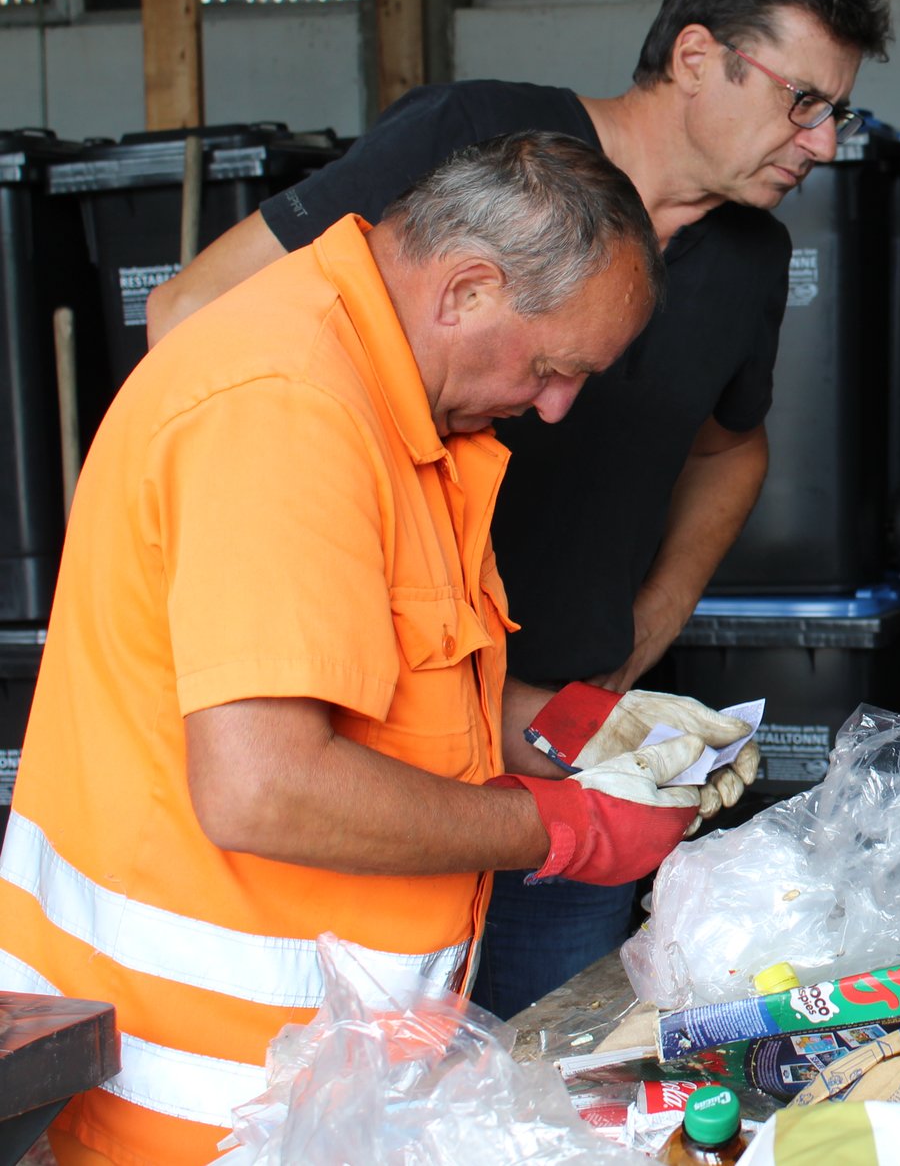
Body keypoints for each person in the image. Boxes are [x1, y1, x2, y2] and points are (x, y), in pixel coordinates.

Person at [144, 0, 895, 1016]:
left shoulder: (748, 258)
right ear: (696, 60)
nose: (823, 143)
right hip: (363, 746)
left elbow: (732, 446)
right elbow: (197, 316)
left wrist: (649, 623)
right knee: (353, 1090)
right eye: (803, 101)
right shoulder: (478, 136)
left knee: (541, 1095)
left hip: (558, 747)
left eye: (838, 110)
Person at [0, 132, 763, 1166]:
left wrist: (583, 729)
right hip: (206, 1102)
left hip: (317, 1089)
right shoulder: (287, 410)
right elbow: (262, 786)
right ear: (466, 289)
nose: (554, 406)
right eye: (550, 367)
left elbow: (399, 689)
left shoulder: (386, 402)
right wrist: (562, 830)